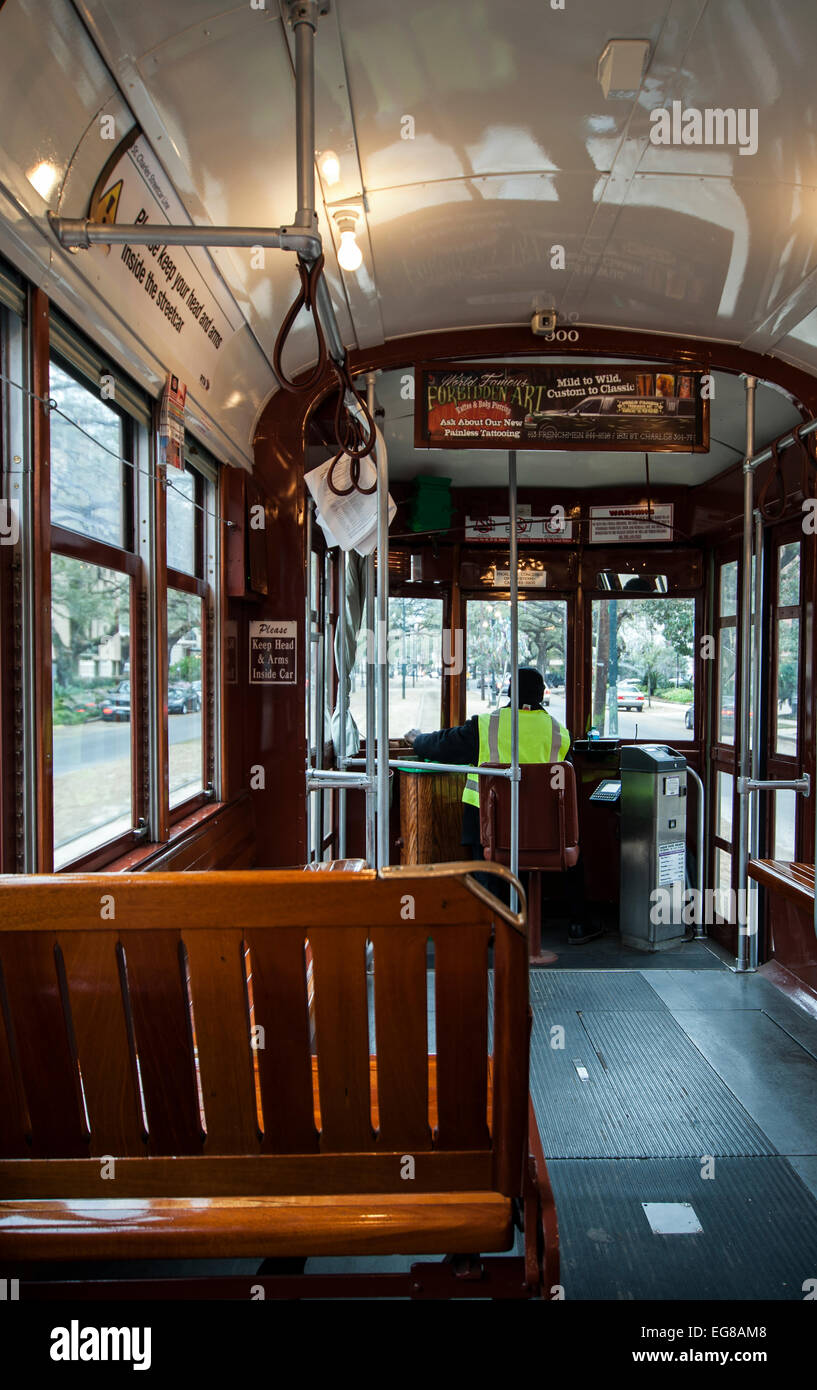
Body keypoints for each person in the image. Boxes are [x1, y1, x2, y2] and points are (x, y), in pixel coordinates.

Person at [404, 666, 601, 943]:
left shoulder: (486, 725)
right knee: (574, 845)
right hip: (542, 834)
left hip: (489, 829)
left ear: (509, 692)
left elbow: (441, 745)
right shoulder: (560, 732)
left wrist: (417, 739)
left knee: (479, 843)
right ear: (542, 695)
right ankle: (578, 923)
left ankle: (491, 923)